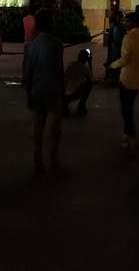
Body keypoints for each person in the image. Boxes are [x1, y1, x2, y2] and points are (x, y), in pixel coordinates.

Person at [25, 9, 65, 177]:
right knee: (54, 128)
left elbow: (29, 72)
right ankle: (53, 161)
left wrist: (29, 93)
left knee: (38, 127)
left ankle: (37, 160)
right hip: (52, 89)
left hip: (36, 89)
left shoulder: (31, 45)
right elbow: (58, 69)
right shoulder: (56, 43)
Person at [108, 12, 139, 157]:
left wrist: (112, 65)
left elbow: (125, 59)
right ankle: (126, 136)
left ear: (133, 23)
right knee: (129, 108)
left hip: (126, 78)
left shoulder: (128, 37)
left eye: (127, 21)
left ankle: (132, 139)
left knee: (126, 111)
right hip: (137, 78)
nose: (124, 23)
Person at [64, 48, 93, 115]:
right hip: (74, 93)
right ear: (86, 59)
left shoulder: (70, 64)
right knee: (89, 84)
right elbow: (91, 77)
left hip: (65, 92)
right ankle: (81, 106)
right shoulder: (84, 68)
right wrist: (90, 64)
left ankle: (64, 105)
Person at [105, 10, 125, 84]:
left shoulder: (123, 26)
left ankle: (117, 77)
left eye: (120, 17)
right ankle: (109, 77)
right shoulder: (113, 25)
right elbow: (110, 36)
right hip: (114, 47)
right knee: (111, 60)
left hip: (120, 47)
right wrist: (110, 46)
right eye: (118, 16)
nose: (119, 18)